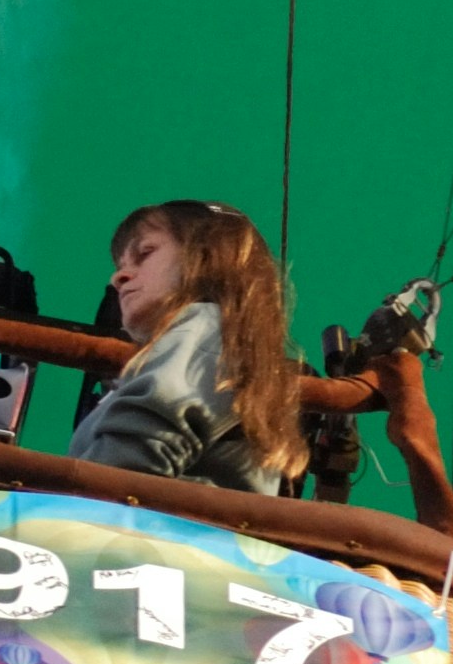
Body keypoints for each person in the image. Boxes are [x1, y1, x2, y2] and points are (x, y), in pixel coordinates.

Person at [69, 200, 309, 494]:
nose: (118, 278)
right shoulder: (216, 340)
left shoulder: (205, 327)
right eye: (120, 266)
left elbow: (126, 464)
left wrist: (58, 506)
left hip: (128, 517)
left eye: (144, 253)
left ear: (208, 256)